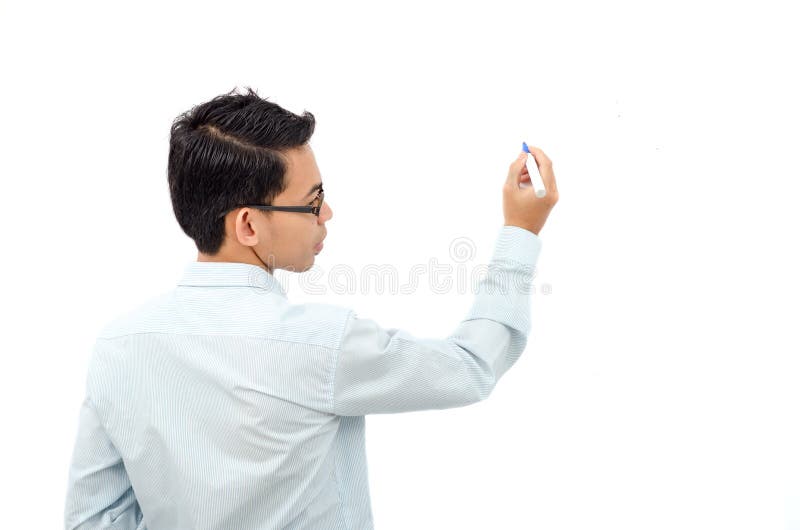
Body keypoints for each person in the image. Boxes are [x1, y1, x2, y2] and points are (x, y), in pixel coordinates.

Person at [63, 87, 559, 530]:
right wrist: (521, 231)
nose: (327, 213)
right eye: (312, 200)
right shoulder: (321, 344)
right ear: (249, 226)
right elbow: (471, 366)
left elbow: (91, 521)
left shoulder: (116, 348)